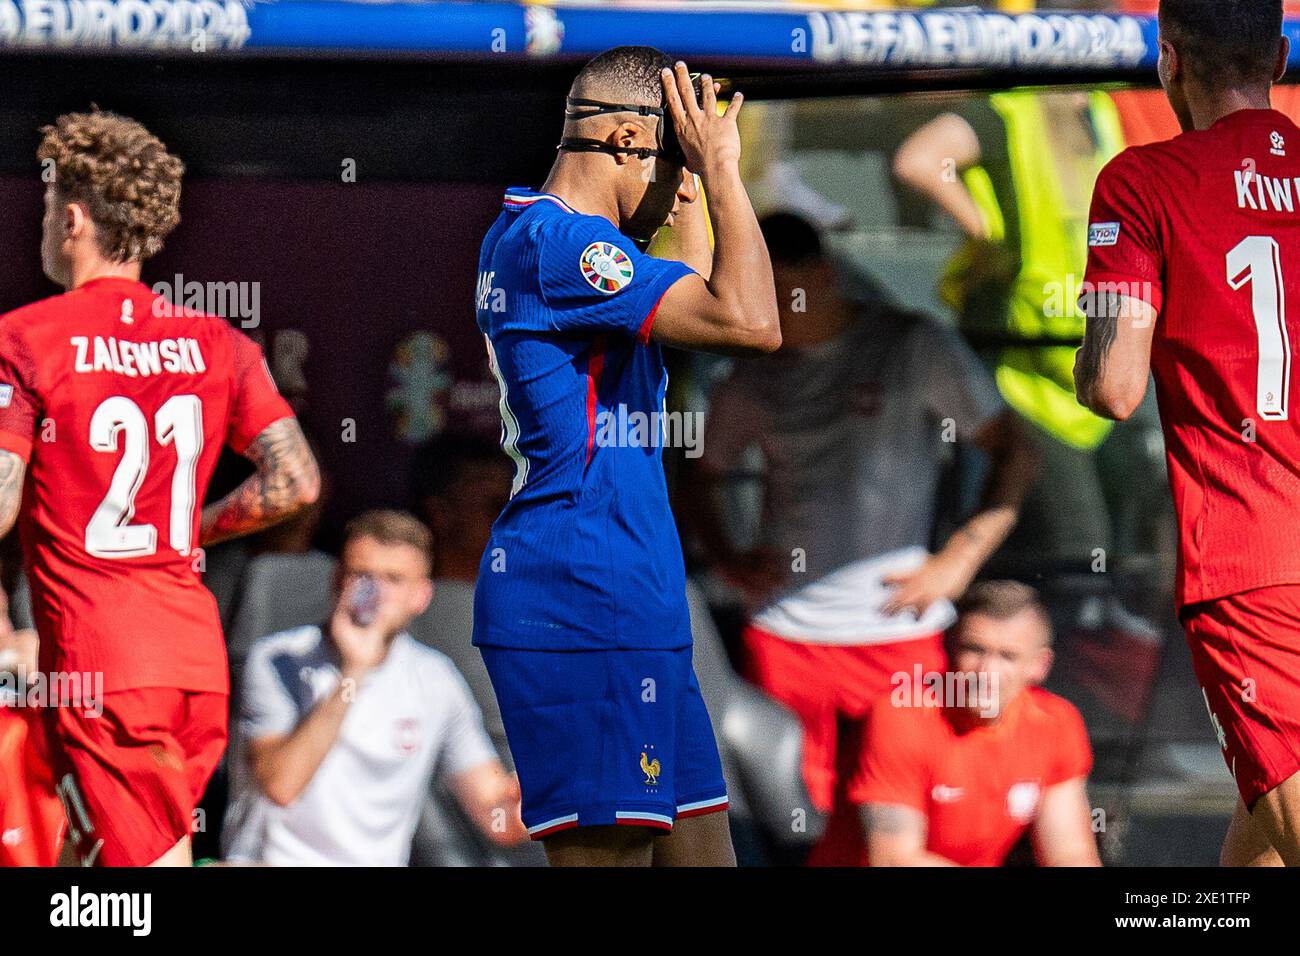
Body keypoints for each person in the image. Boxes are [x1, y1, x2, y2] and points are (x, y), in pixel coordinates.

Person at [472, 46, 780, 866]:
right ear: (618, 140)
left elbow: (691, 294)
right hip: (579, 597)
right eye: (671, 160)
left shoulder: (573, 252)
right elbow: (750, 322)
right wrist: (722, 173)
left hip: (634, 598)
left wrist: (686, 193)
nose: (685, 183)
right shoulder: (558, 246)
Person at [0, 110, 321, 866]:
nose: (44, 224)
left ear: (72, 218)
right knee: (99, 865)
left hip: (102, 660)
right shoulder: (220, 342)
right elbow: (296, 481)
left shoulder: (27, 337)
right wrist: (192, 529)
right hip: (190, 657)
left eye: (48, 209)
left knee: (137, 882)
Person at [690, 211, 1037, 864]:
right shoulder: (752, 375)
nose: (763, 311)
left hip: (899, 631)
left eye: (777, 292)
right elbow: (694, 473)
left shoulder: (911, 344)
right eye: (748, 292)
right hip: (787, 636)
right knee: (807, 837)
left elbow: (1017, 450)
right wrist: (727, 556)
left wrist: (958, 562)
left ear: (821, 275)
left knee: (906, 828)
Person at [1076, 0, 1300, 867]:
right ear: (1279, 55)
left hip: (1256, 562)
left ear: (1168, 59)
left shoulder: (1143, 181)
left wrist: (1089, 358)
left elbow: (1113, 386)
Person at [222, 510, 525, 865]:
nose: (375, 593)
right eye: (362, 575)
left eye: (393, 579)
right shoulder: (278, 658)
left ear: (421, 596)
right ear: (336, 579)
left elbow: (497, 820)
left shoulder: (436, 680)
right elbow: (281, 786)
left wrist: (527, 798)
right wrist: (354, 671)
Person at [855, 581, 1101, 867]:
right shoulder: (903, 714)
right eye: (974, 649)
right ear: (950, 651)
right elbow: (892, 859)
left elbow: (1069, 852)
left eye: (1007, 656)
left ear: (1040, 665)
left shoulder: (1057, 722)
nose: (986, 672)